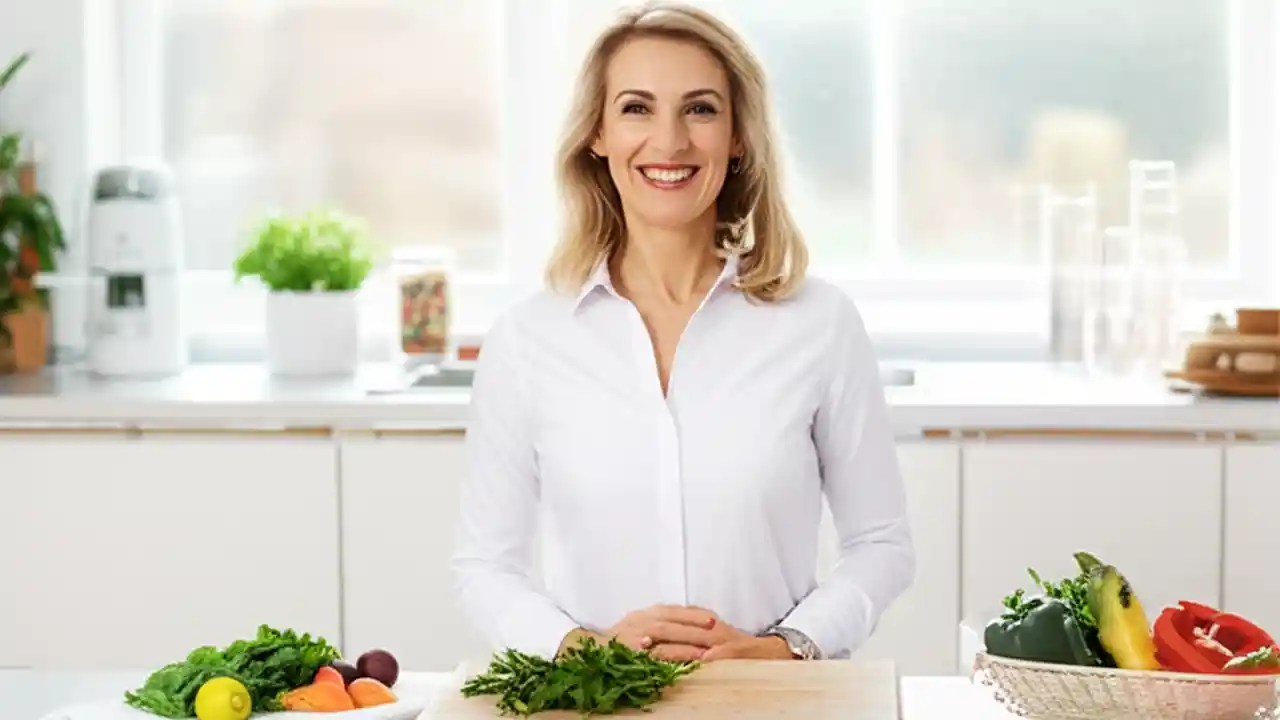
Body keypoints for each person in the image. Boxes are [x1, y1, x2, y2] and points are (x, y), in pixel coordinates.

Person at [452, 1, 914, 663]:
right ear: (597, 134)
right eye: (636, 108)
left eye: (699, 109)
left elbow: (881, 546)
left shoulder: (819, 324)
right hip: (600, 705)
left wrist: (784, 649)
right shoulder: (528, 340)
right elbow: (484, 566)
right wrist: (583, 651)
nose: (669, 142)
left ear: (738, 137)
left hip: (770, 702)